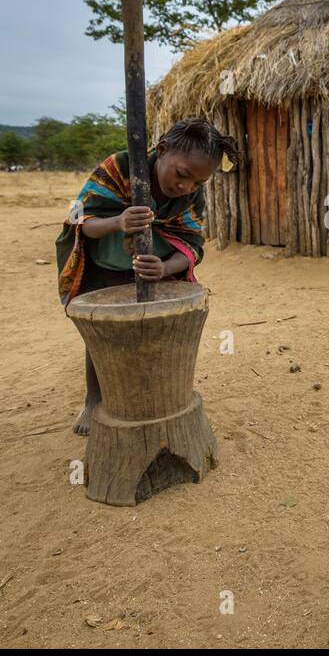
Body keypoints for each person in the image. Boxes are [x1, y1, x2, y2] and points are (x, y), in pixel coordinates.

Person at [56, 117, 239, 435]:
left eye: (197, 183)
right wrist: (118, 223)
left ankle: (152, 395)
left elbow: (193, 245)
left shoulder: (189, 195)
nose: (186, 187)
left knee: (154, 333)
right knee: (102, 337)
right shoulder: (120, 167)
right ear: (163, 149)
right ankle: (93, 401)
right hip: (107, 268)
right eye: (182, 174)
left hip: (153, 272)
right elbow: (80, 220)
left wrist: (166, 268)